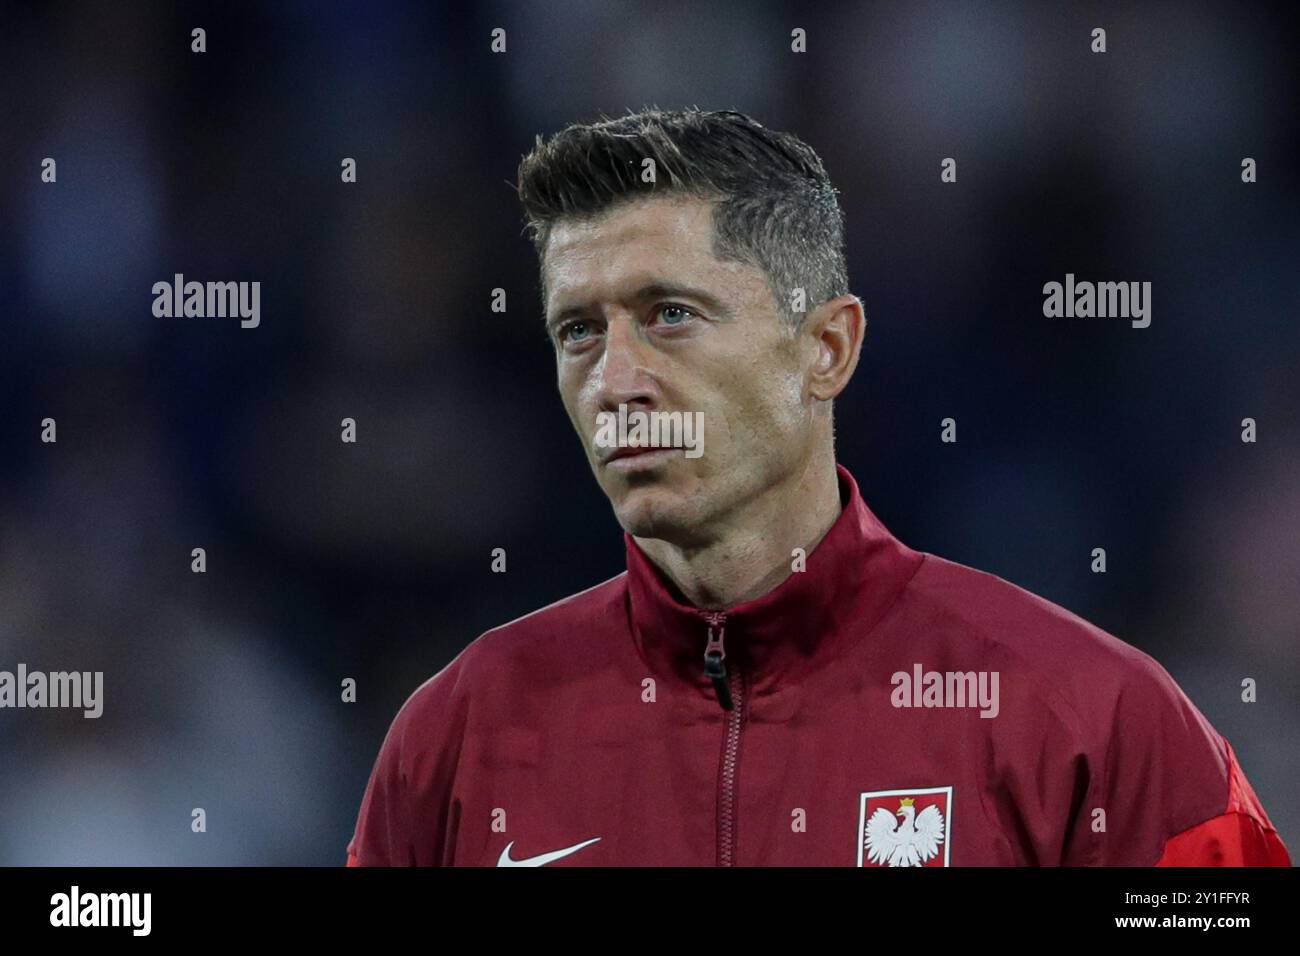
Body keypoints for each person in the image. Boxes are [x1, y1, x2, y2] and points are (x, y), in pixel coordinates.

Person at [347, 107, 1290, 866]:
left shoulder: (1089, 720)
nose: (614, 380)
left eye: (669, 314)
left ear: (826, 347)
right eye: (578, 331)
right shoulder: (461, 737)